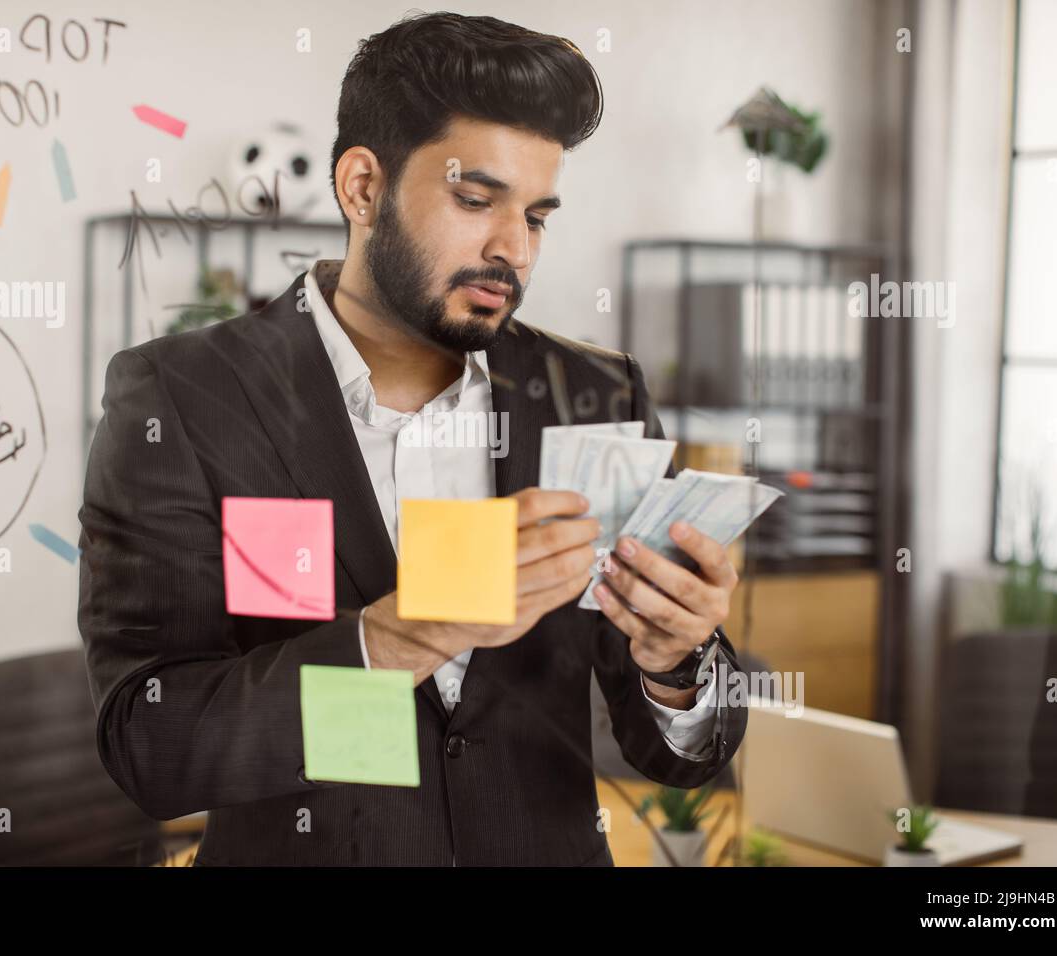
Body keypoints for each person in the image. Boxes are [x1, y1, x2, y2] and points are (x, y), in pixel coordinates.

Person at [78, 11, 747, 866]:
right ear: (362, 187)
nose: (513, 249)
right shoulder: (185, 397)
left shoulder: (594, 394)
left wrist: (675, 660)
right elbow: (151, 742)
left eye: (537, 217)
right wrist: (402, 635)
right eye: (476, 200)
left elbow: (680, 753)